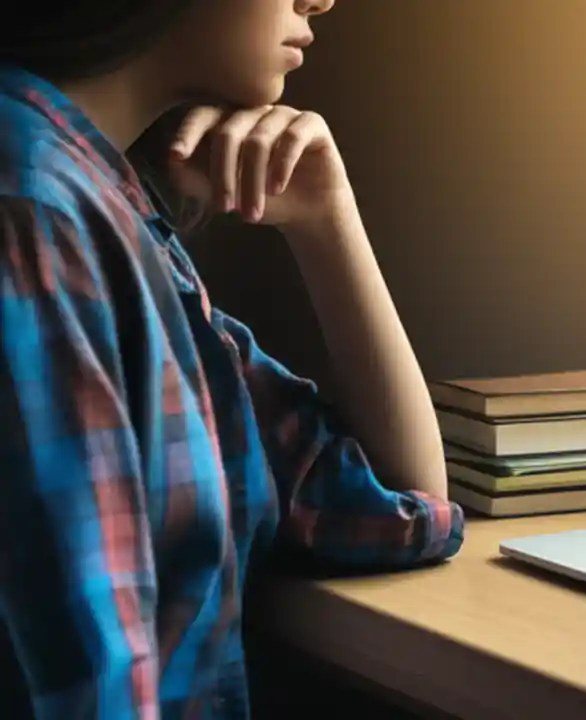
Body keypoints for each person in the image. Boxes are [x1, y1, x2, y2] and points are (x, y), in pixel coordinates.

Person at [0, 1, 463, 717]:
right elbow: (86, 691)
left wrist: (327, 220)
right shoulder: (36, 218)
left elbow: (397, 507)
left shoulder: (106, 213)